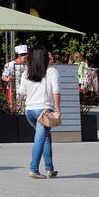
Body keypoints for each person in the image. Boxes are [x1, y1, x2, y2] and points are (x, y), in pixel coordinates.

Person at [18, 47, 60, 179]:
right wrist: (58, 109)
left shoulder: (27, 72)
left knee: (46, 137)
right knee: (40, 139)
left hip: (29, 110)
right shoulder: (51, 71)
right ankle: (33, 169)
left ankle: (50, 169)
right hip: (44, 110)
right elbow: (56, 92)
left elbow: (21, 92)